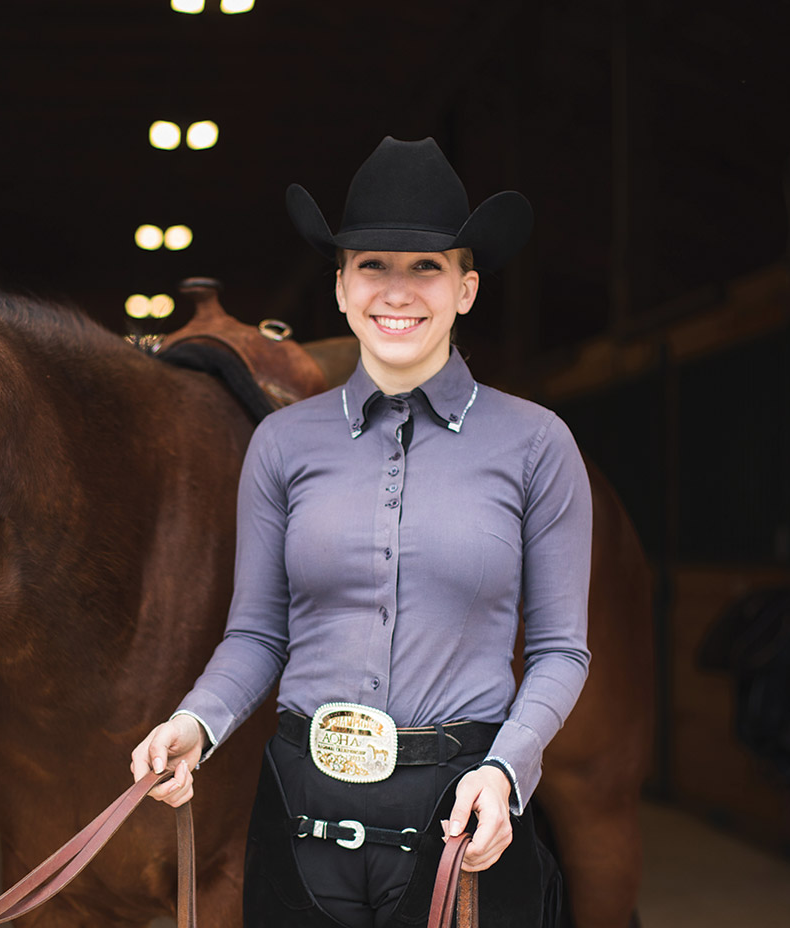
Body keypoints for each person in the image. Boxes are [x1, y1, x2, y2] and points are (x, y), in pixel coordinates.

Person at [131, 136, 592, 928]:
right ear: (342, 287)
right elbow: (257, 634)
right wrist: (194, 722)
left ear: (467, 288)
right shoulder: (281, 444)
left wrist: (507, 771)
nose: (397, 290)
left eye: (426, 267)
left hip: (461, 805)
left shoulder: (537, 443)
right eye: (372, 264)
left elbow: (560, 650)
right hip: (299, 806)